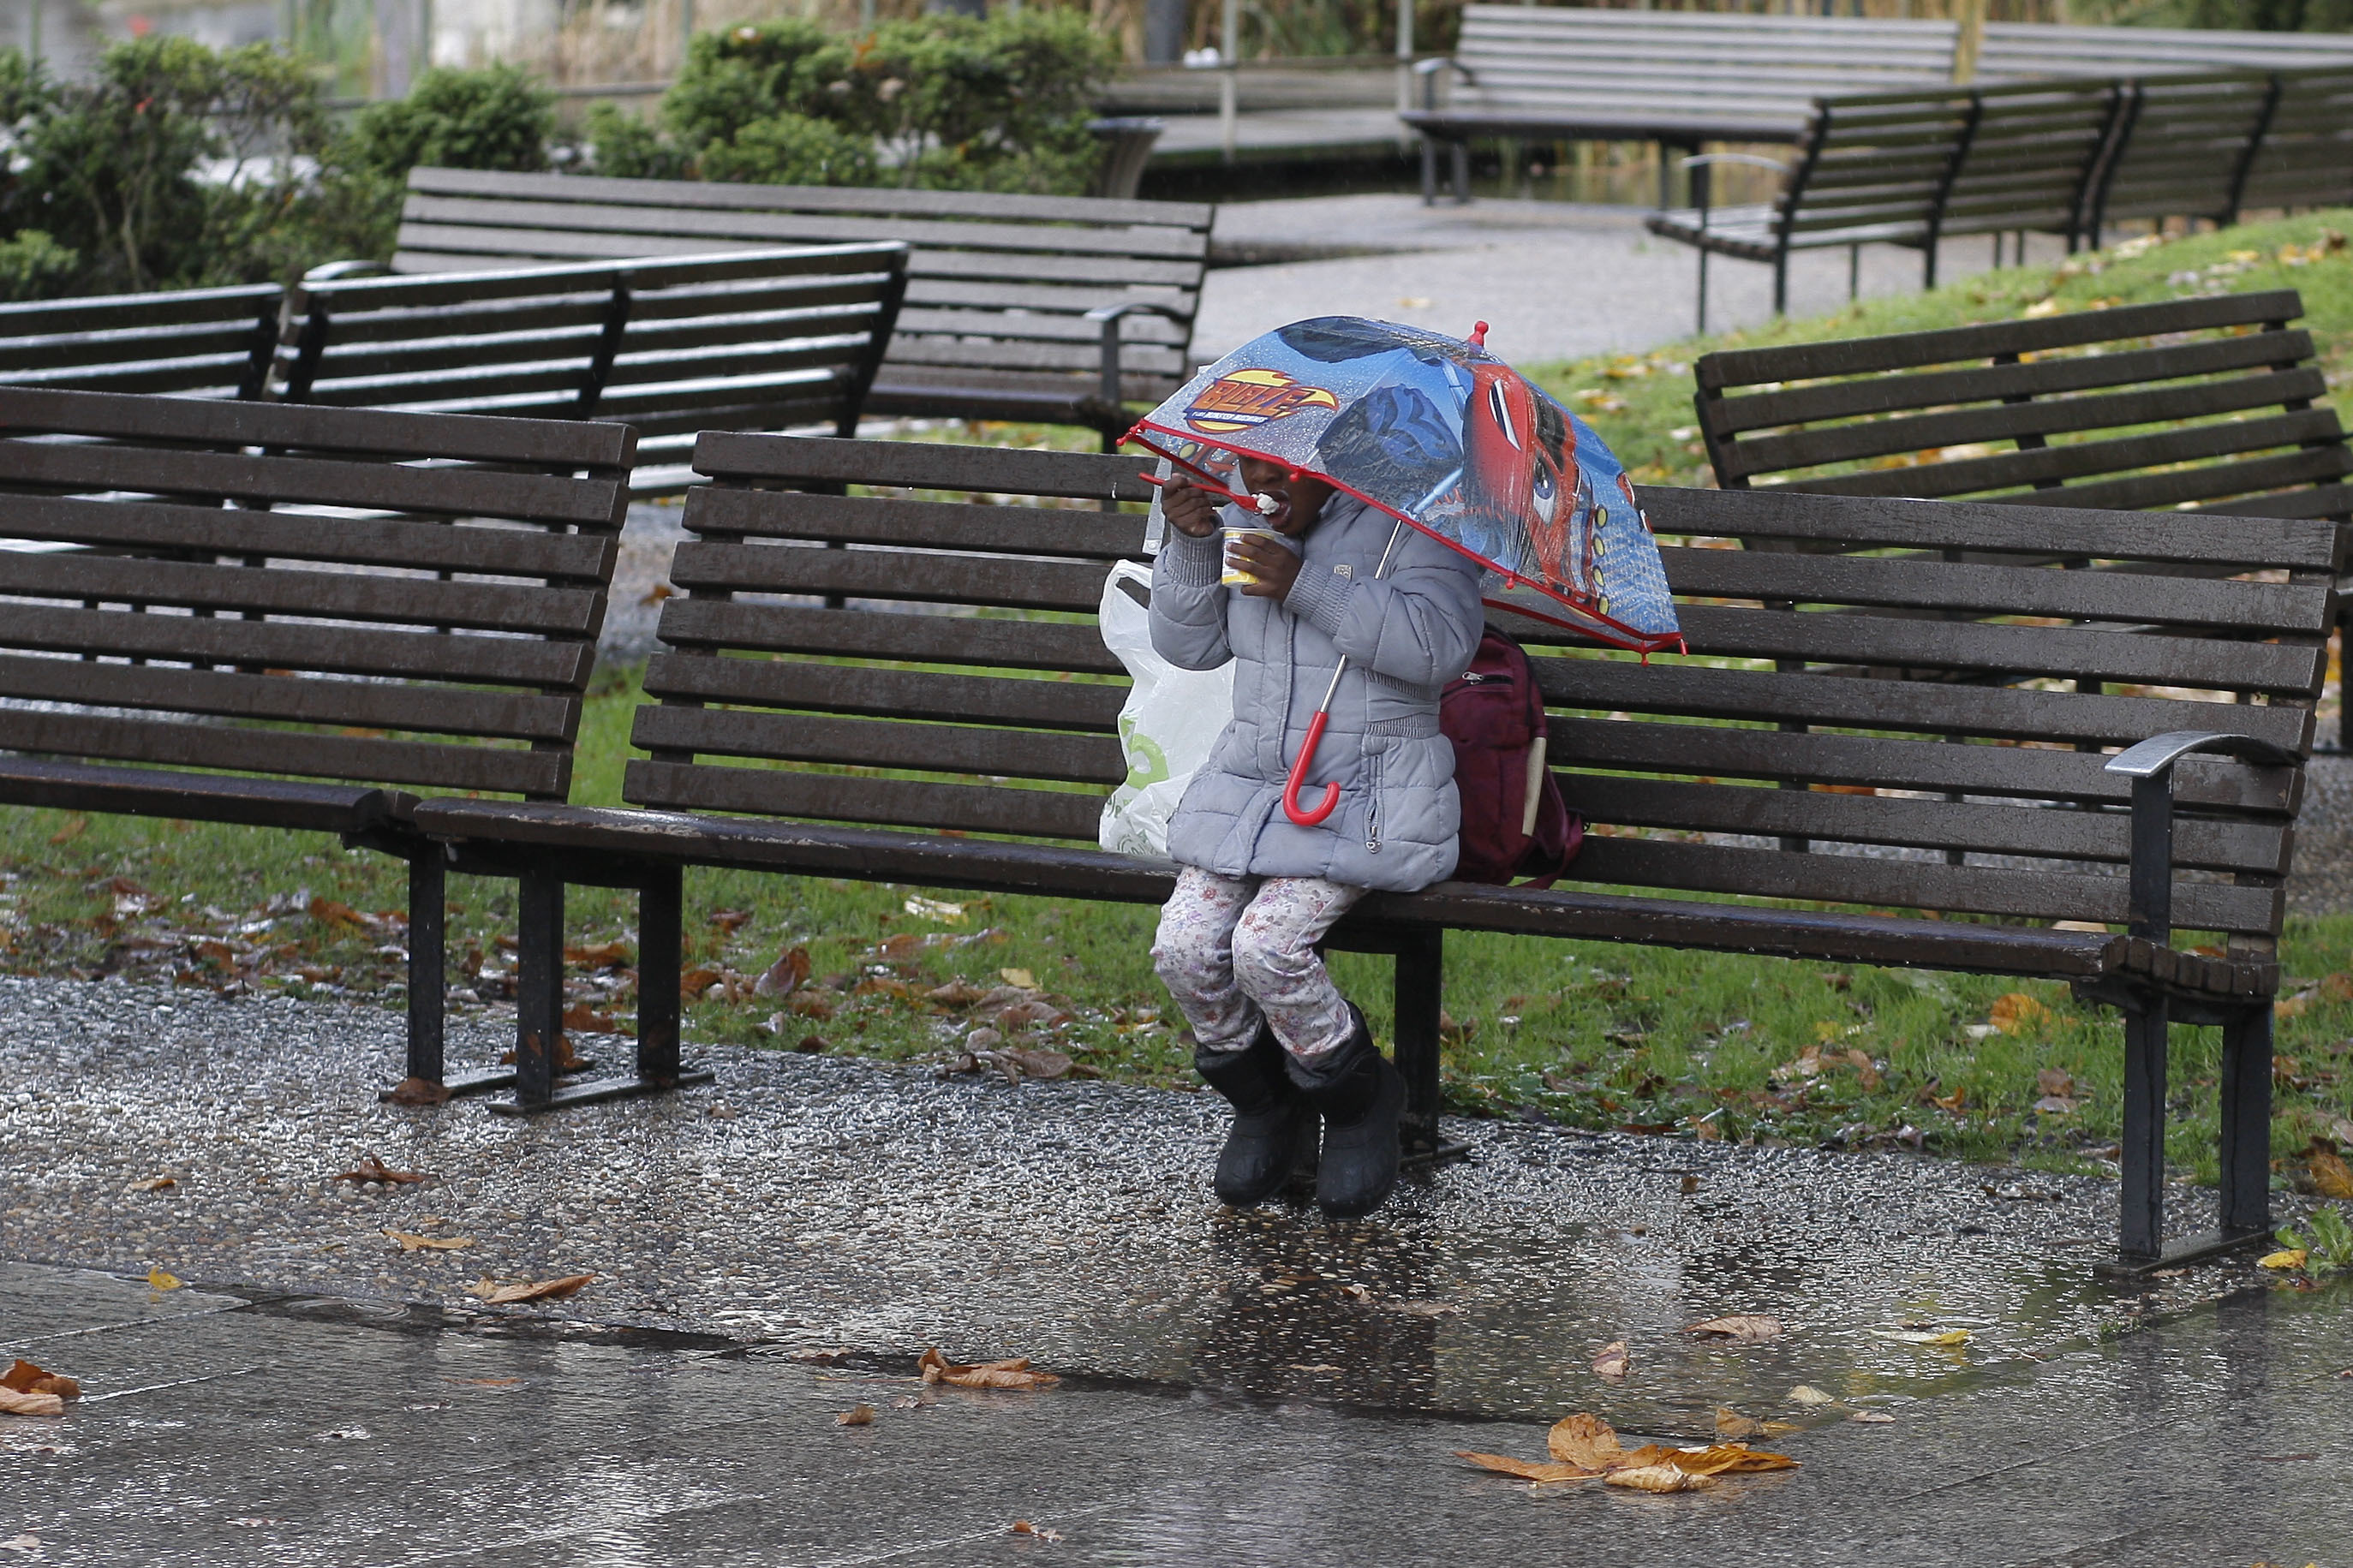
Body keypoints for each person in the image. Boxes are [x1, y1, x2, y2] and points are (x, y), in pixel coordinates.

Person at [1149, 455, 1484, 1219]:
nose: (1261, 491)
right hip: (1251, 788)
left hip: (1367, 793)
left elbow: (1439, 648)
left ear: (1332, 469)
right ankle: (1266, 1101)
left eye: (1283, 477)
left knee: (1265, 946)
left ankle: (1359, 1095)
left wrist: (1305, 584)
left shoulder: (1419, 525)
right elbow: (1190, 648)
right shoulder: (1241, 518)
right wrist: (1193, 544)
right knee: (1185, 945)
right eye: (1247, 469)